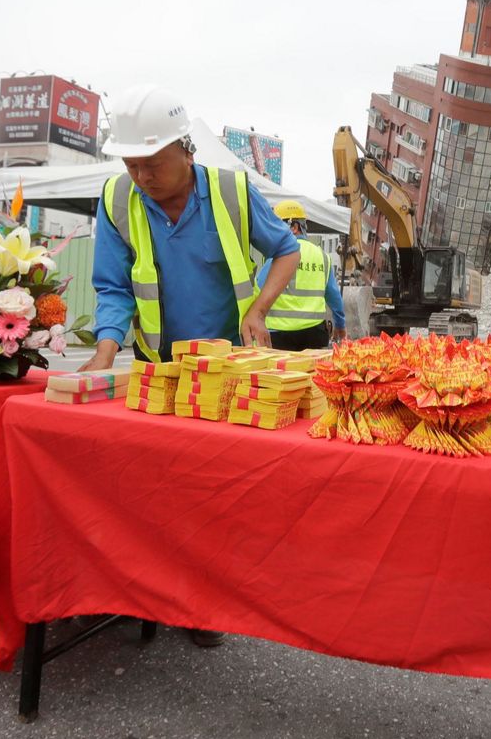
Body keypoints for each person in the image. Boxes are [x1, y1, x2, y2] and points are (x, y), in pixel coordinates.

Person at [80, 84, 301, 648]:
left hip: (227, 369)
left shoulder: (230, 189)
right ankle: (141, 594)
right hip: (159, 367)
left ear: (186, 149)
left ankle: (200, 605)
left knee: (213, 495)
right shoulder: (115, 200)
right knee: (146, 491)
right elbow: (111, 286)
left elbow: (286, 249)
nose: (142, 176)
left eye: (152, 164)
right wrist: (106, 354)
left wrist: (259, 309)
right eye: (132, 165)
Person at [259, 199, 346, 349]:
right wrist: (340, 325)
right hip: (314, 335)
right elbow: (334, 297)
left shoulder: (278, 254)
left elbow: (258, 289)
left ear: (294, 227)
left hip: (279, 336)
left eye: (278, 225)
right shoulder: (322, 256)